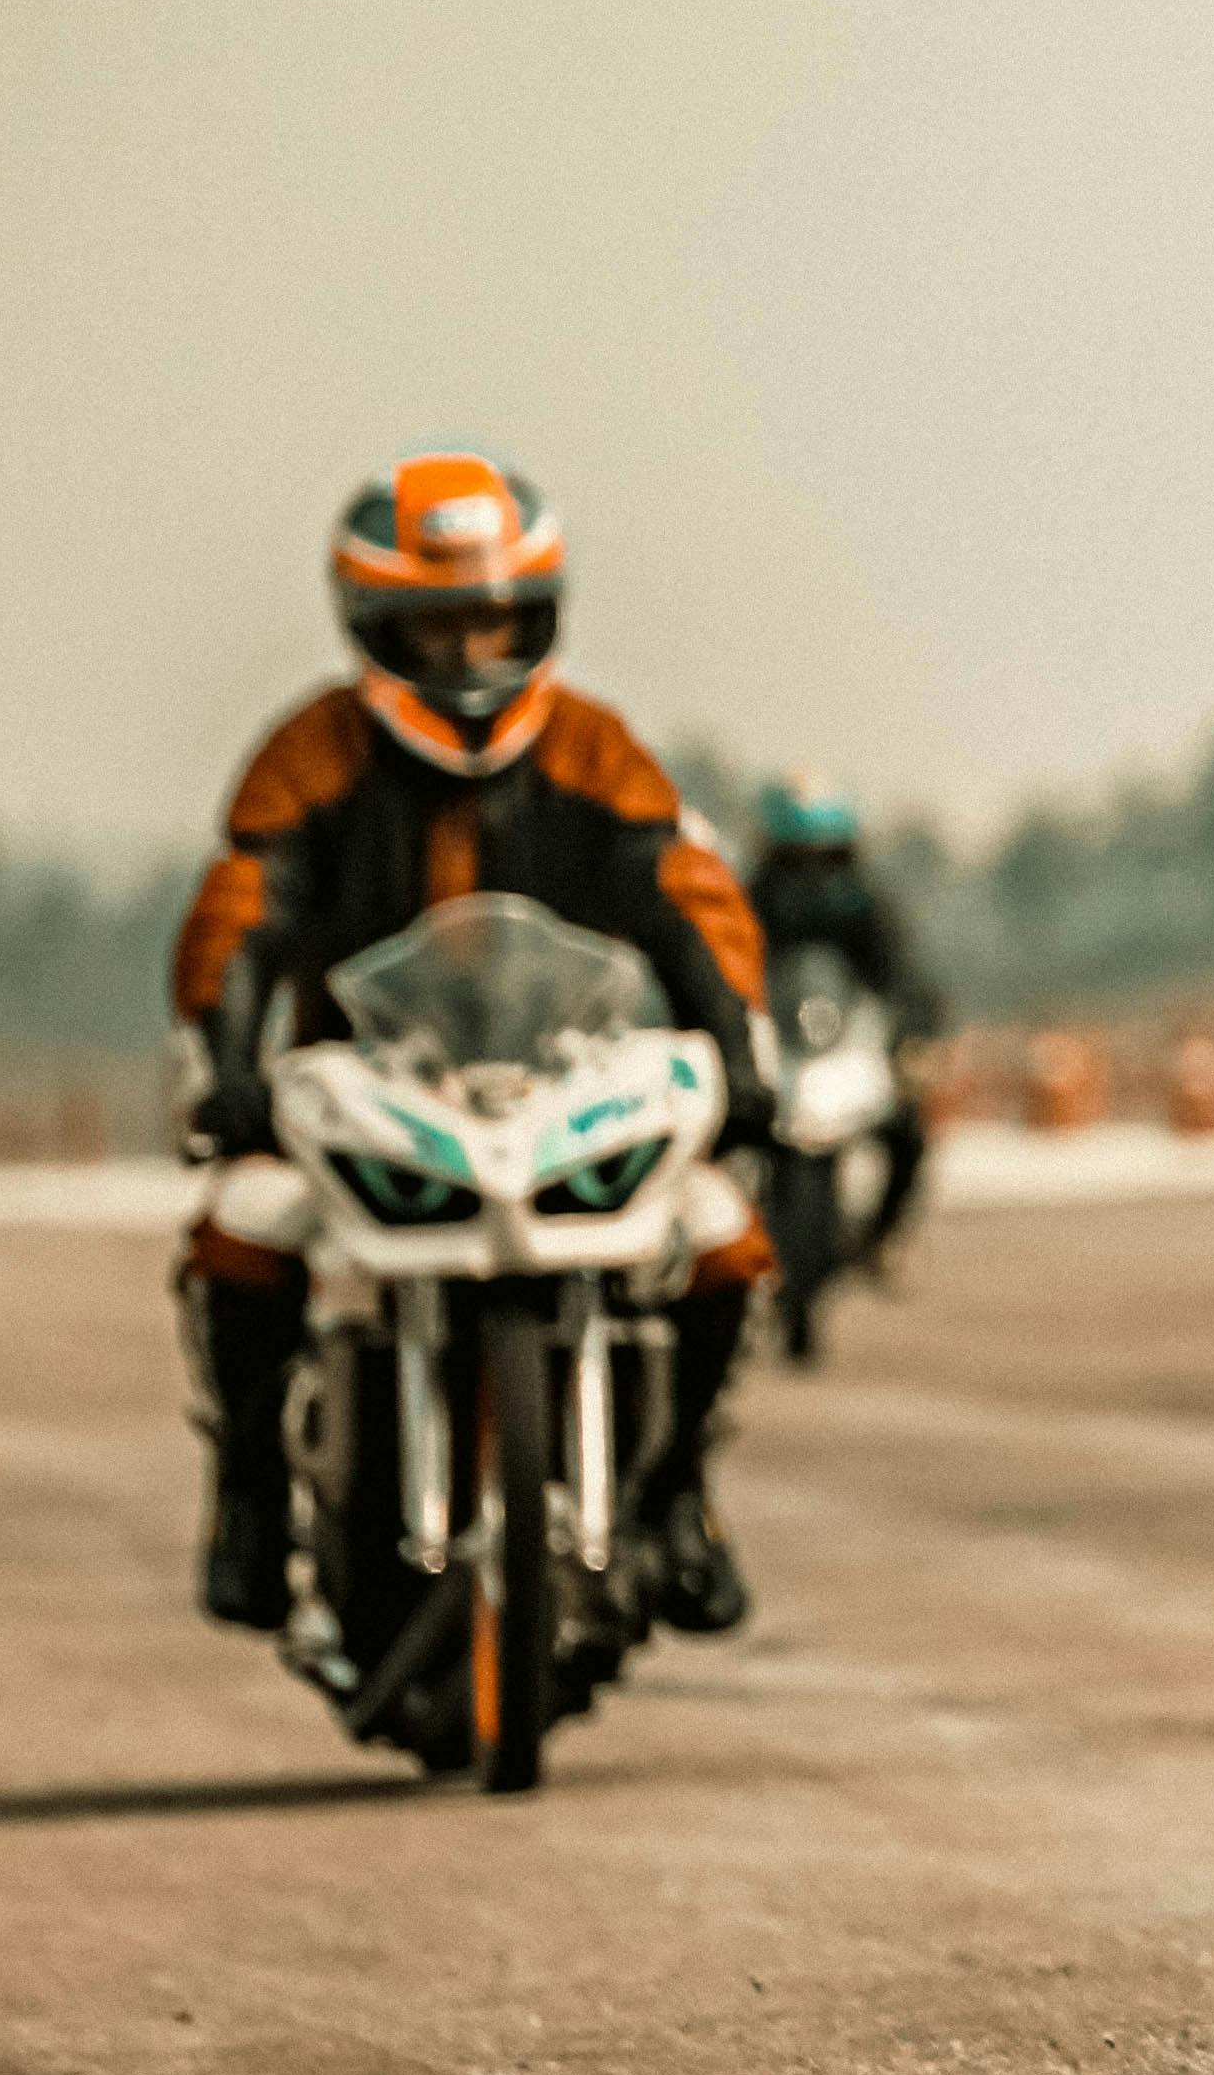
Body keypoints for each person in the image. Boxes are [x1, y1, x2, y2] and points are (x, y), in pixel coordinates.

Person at [171, 456, 778, 1640]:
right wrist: (229, 1063)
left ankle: (675, 1496)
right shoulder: (312, 751)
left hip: (565, 1083)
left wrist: (738, 1056)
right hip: (366, 1094)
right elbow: (240, 912)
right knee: (240, 1223)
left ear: (540, 615)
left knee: (722, 1236)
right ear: (372, 625)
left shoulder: (597, 749)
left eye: (493, 618)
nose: (469, 654)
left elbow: (689, 898)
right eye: (436, 625)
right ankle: (248, 1494)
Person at [745, 776, 946, 1283]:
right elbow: (725, 970)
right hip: (775, 1049)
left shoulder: (865, 906)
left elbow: (903, 978)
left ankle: (881, 1239)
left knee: (910, 1137)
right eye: (798, 859)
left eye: (826, 857)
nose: (813, 874)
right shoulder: (753, 903)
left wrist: (912, 1039)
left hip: (848, 1049)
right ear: (774, 854)